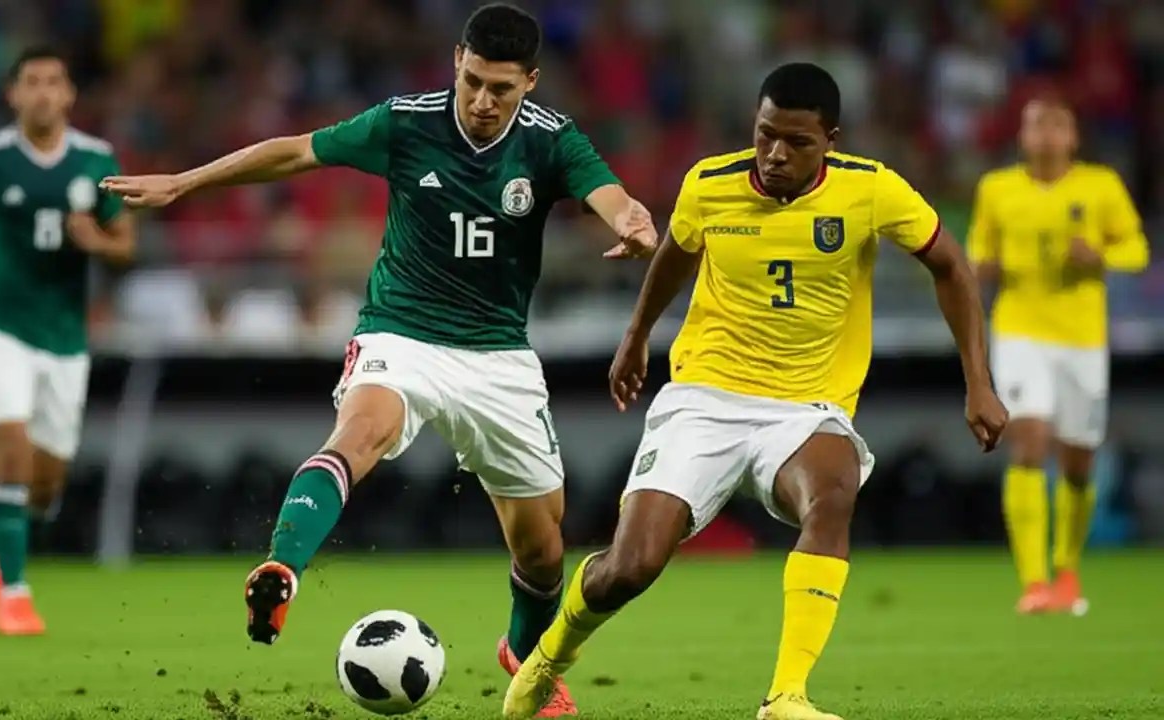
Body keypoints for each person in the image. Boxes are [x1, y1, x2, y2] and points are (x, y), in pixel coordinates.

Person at [100, 4, 655, 716]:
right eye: (475, 81)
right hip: (402, 334)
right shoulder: (406, 120)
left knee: (544, 548)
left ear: (531, 83)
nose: (484, 101)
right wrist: (184, 182)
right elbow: (296, 150)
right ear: (457, 61)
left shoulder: (551, 141)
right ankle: (282, 569)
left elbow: (609, 195)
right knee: (359, 434)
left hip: (499, 357)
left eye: (503, 90)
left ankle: (523, 652)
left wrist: (632, 221)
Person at [502, 62, 1008, 720]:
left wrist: (979, 381)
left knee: (833, 494)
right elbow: (677, 254)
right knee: (631, 567)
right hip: (705, 398)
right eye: (766, 134)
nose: (775, 153)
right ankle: (547, 657)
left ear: (831, 138)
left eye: (797, 142)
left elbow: (952, 265)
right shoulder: (710, 183)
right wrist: (635, 338)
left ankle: (787, 696)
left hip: (806, 407)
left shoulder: (872, 190)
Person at [0, 46, 135, 636]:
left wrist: (96, 241)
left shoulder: (96, 160)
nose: (43, 92)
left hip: (64, 335)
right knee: (10, 450)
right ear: (14, 94)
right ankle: (12, 591)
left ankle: (12, 540)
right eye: (32, 82)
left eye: (54, 82)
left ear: (69, 94)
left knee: (46, 483)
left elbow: (125, 242)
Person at [967, 97, 1148, 615]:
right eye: (1035, 126)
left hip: (1082, 339)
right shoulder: (997, 189)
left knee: (1078, 462)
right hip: (1020, 330)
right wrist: (983, 269)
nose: (1045, 134)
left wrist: (1101, 258)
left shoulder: (1100, 186)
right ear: (1022, 137)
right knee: (1028, 440)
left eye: (1056, 125)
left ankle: (1067, 569)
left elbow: (1136, 249)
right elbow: (980, 250)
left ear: (1073, 137)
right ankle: (1033, 581)